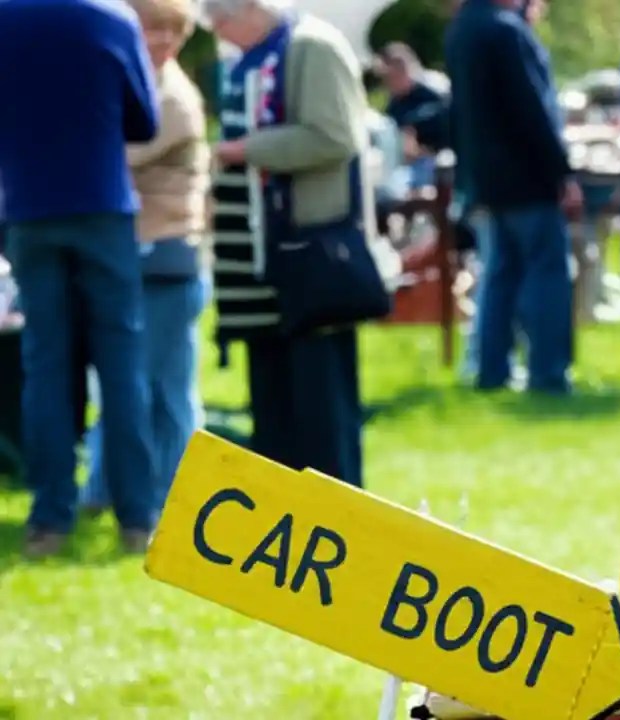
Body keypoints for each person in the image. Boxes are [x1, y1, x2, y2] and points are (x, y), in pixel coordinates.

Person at [0, 0, 159, 558]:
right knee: (122, 366)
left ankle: (49, 519)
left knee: (44, 366)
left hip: (28, 207)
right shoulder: (113, 19)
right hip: (102, 205)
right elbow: (145, 121)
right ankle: (137, 517)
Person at [202, 0, 373, 486]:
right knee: (275, 416)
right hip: (261, 271)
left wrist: (245, 150)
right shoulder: (253, 59)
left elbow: (334, 136)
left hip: (309, 259)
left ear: (248, 10)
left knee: (321, 415)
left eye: (221, 22)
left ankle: (334, 514)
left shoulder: (312, 48)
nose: (220, 34)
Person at [80, 0, 212, 516]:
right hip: (140, 255)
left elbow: (110, 159)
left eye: (172, 30)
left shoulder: (172, 97)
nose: (163, 40)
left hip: (165, 258)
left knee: (161, 390)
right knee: (126, 383)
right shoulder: (140, 83)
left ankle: (170, 496)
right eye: (151, 28)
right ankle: (106, 488)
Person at [446, 0, 578, 394]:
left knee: (500, 275)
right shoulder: (506, 31)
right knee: (546, 273)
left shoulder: (462, 30)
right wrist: (561, 172)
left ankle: (492, 369)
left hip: (487, 179)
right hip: (527, 177)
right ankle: (548, 371)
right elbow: (532, 109)